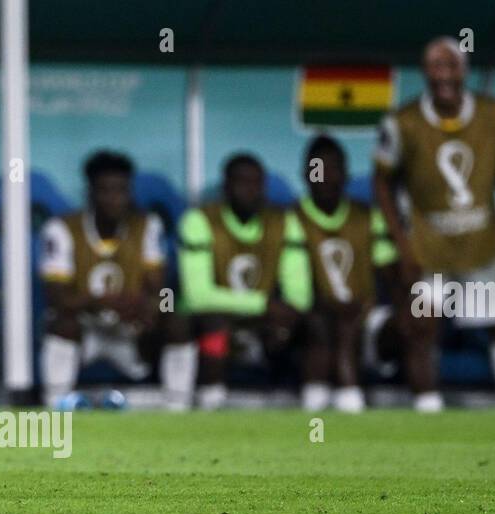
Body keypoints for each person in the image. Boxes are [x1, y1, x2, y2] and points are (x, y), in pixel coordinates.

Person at [373, 36, 495, 411]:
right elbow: (382, 182)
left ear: (464, 70)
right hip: (429, 247)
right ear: (425, 73)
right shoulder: (402, 121)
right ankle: (428, 408)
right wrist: (402, 244)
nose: (443, 75)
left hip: (481, 244)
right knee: (422, 325)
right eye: (435, 66)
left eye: (450, 65)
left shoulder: (493, 114)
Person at [174, 153, 313, 409]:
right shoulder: (199, 220)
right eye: (242, 183)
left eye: (257, 183)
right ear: (226, 187)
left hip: (262, 320)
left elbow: (299, 294)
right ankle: (208, 401)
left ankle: (314, 404)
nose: (251, 191)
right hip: (218, 318)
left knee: (312, 321)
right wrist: (263, 305)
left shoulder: (284, 222)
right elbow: (197, 296)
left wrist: (282, 313)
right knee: (205, 322)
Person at [38, 150, 166, 408]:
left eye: (121, 190)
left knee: (174, 320)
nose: (113, 199)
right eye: (105, 190)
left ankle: (178, 405)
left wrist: (155, 307)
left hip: (130, 329)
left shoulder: (148, 226)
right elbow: (56, 298)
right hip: (86, 328)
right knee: (61, 323)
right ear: (91, 192)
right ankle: (56, 403)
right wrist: (100, 301)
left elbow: (164, 292)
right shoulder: (62, 229)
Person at [294, 135, 396, 412]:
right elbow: (296, 288)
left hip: (368, 313)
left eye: (334, 169)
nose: (326, 177)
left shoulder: (366, 217)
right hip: (316, 317)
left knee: (416, 321)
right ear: (306, 174)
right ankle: (327, 403)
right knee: (327, 321)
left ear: (346, 174)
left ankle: (429, 409)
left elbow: (389, 272)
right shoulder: (293, 218)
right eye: (318, 170)